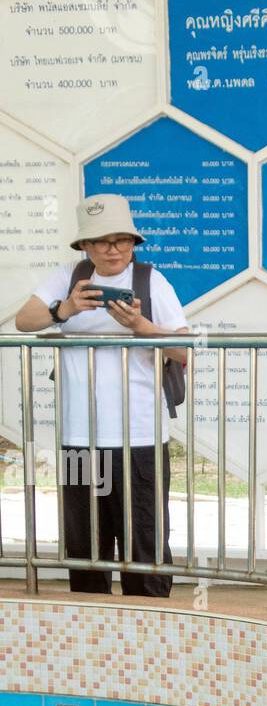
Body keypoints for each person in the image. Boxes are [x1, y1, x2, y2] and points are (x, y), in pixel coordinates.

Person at [15, 194, 189, 596]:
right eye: (101, 241)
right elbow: (25, 320)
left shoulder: (151, 280)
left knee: (143, 543)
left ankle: (150, 629)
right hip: (79, 439)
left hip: (139, 438)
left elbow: (185, 350)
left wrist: (144, 327)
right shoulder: (69, 276)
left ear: (133, 243)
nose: (113, 250)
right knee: (85, 543)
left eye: (121, 240)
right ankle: (93, 636)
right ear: (85, 246)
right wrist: (66, 309)